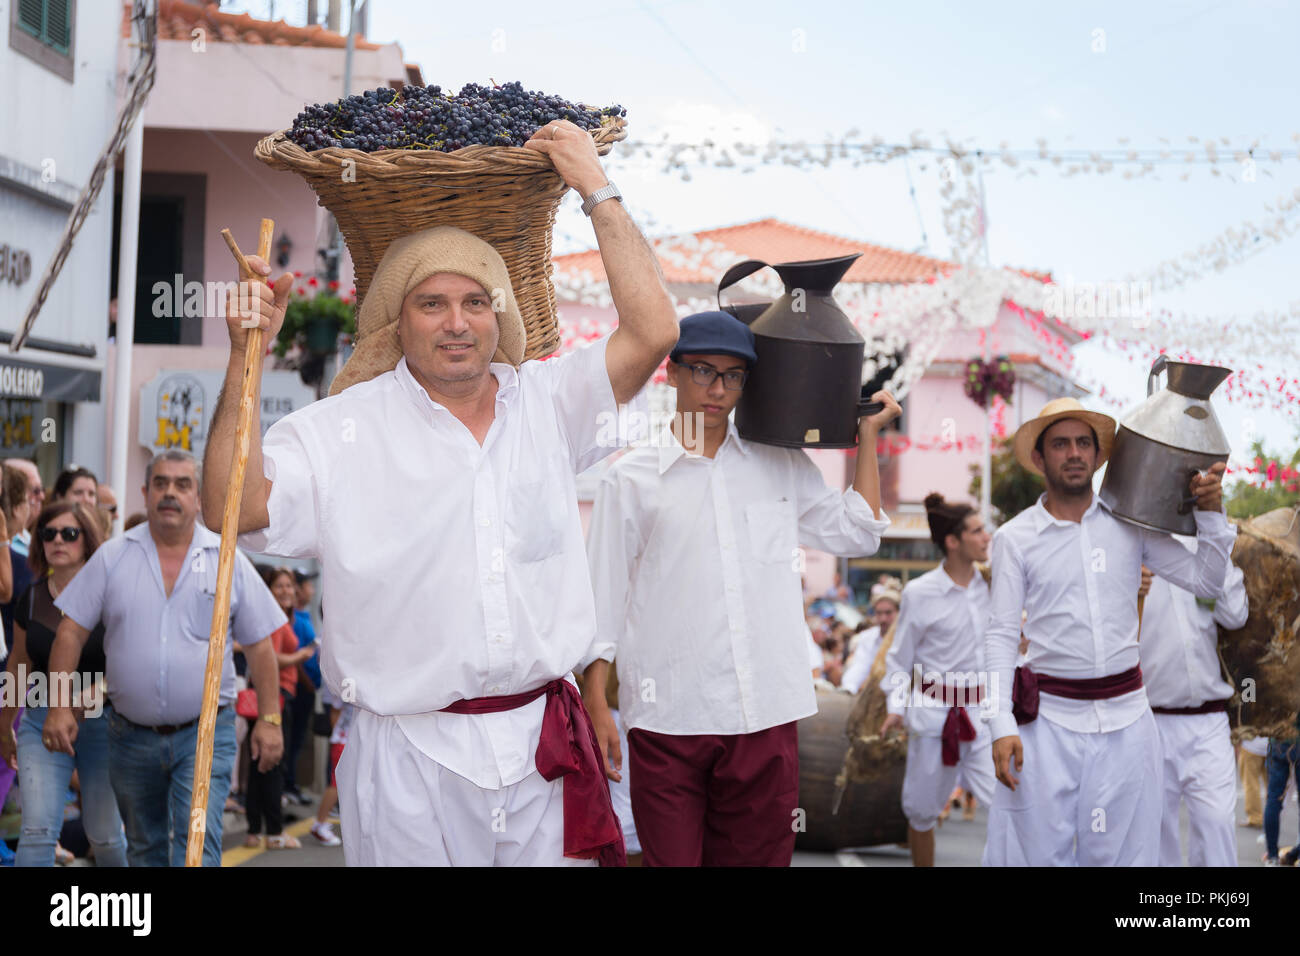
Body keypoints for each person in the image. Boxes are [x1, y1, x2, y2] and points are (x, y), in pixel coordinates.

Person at [203, 119, 678, 867]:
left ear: (501, 316)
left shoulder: (551, 403)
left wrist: (596, 187)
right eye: (432, 304)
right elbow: (238, 506)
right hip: (404, 755)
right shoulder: (340, 429)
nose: (457, 323)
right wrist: (246, 359)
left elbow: (652, 331)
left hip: (539, 752)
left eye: (476, 302)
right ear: (398, 321)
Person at [581, 310, 900, 866]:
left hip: (766, 714)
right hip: (667, 717)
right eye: (703, 371)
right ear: (672, 373)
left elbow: (858, 531)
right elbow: (599, 602)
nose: (718, 388)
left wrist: (867, 439)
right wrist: (595, 704)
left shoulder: (780, 463)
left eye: (733, 376)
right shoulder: (629, 479)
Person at [982, 398, 1233, 867]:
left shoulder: (1130, 526)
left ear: (1098, 457)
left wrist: (1211, 516)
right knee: (1038, 857)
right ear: (1040, 458)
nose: (1073, 453)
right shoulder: (1014, 539)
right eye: (1060, 444)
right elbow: (998, 635)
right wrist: (999, 724)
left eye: (1083, 443)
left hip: (1129, 725)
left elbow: (1208, 580)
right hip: (1047, 724)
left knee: (1123, 858)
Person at [40, 450, 287, 867]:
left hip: (206, 734)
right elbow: (70, 631)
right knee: (145, 849)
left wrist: (270, 719)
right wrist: (58, 705)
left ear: (198, 498)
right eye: (161, 483)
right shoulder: (113, 557)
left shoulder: (227, 561)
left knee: (196, 847)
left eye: (182, 484)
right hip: (129, 735)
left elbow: (261, 647)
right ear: (145, 492)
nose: (170, 493)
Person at [0, 502, 126, 867]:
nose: (58, 540)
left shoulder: (112, 593)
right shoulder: (33, 596)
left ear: (88, 540)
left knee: (104, 834)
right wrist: (5, 723)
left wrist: (98, 690)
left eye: (69, 533)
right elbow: (18, 663)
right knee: (37, 832)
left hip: (103, 721)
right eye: (48, 533)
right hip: (41, 720)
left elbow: (132, 657)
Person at [879, 493, 995, 866]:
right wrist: (896, 709)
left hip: (984, 713)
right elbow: (899, 660)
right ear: (953, 541)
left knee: (1011, 802)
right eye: (977, 531)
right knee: (921, 811)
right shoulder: (919, 593)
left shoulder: (994, 585)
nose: (986, 537)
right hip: (931, 714)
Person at [1138, 550, 1248, 867]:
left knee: (1217, 823)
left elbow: (1236, 616)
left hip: (1209, 719)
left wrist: (1217, 556)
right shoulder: (1133, 548)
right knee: (1156, 832)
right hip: (1149, 720)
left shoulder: (1207, 551)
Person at [243, 567, 316, 850]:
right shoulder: (271, 617)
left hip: (277, 694)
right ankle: (273, 832)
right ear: (268, 589)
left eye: (290, 586)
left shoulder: (281, 616)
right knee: (272, 762)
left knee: (259, 764)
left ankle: (254, 831)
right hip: (274, 697)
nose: (287, 590)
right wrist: (301, 655)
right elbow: (268, 658)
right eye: (280, 586)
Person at [281, 568, 320, 806]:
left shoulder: (303, 615)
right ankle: (287, 785)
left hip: (306, 690)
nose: (311, 590)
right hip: (298, 689)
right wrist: (309, 685)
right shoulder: (292, 617)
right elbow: (295, 656)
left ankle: (292, 783)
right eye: (308, 585)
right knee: (291, 739)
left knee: (297, 741)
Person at [840, 589, 900, 694]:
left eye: (888, 613)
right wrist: (850, 687)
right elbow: (860, 665)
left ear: (899, 612)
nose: (883, 619)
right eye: (879, 613)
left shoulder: (906, 637)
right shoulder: (867, 637)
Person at [1263, 716, 1299, 866]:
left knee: (1273, 799)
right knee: (1273, 799)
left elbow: (1249, 695)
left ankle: (1272, 856)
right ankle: (1291, 855)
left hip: (1278, 740)